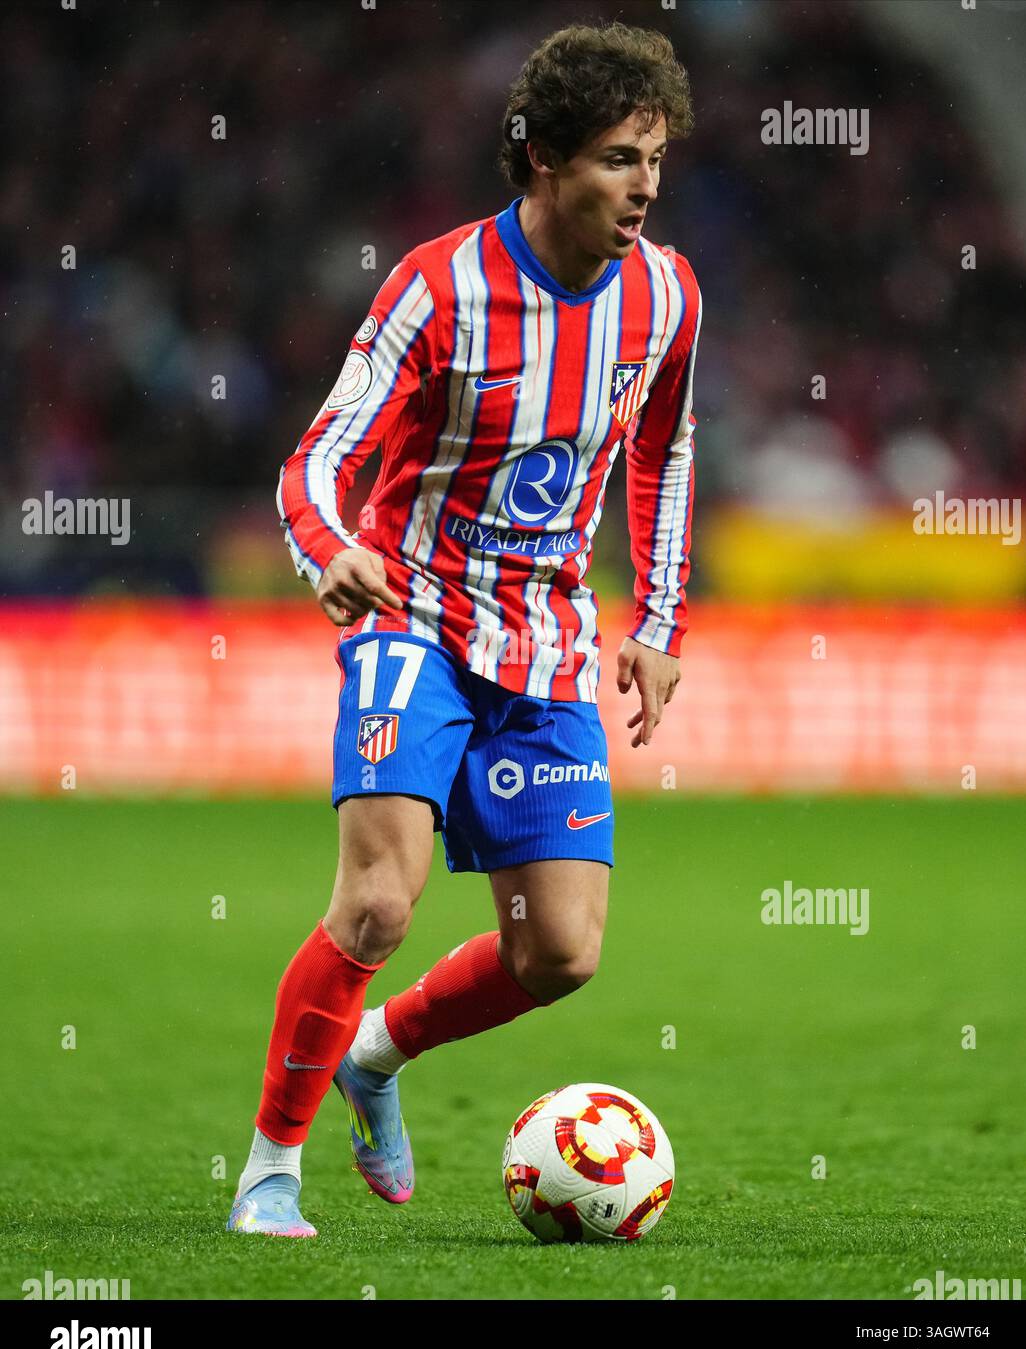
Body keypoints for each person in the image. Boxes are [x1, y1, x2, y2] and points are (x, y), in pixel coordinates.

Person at [227, 19, 701, 1237]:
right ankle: (269, 1172)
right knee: (380, 902)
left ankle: (374, 1053)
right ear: (542, 159)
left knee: (560, 955)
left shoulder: (663, 296)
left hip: (543, 639)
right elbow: (317, 456)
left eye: (651, 158)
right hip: (415, 613)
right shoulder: (436, 288)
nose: (642, 186)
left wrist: (653, 619)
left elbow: (661, 449)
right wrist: (330, 552)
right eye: (614, 159)